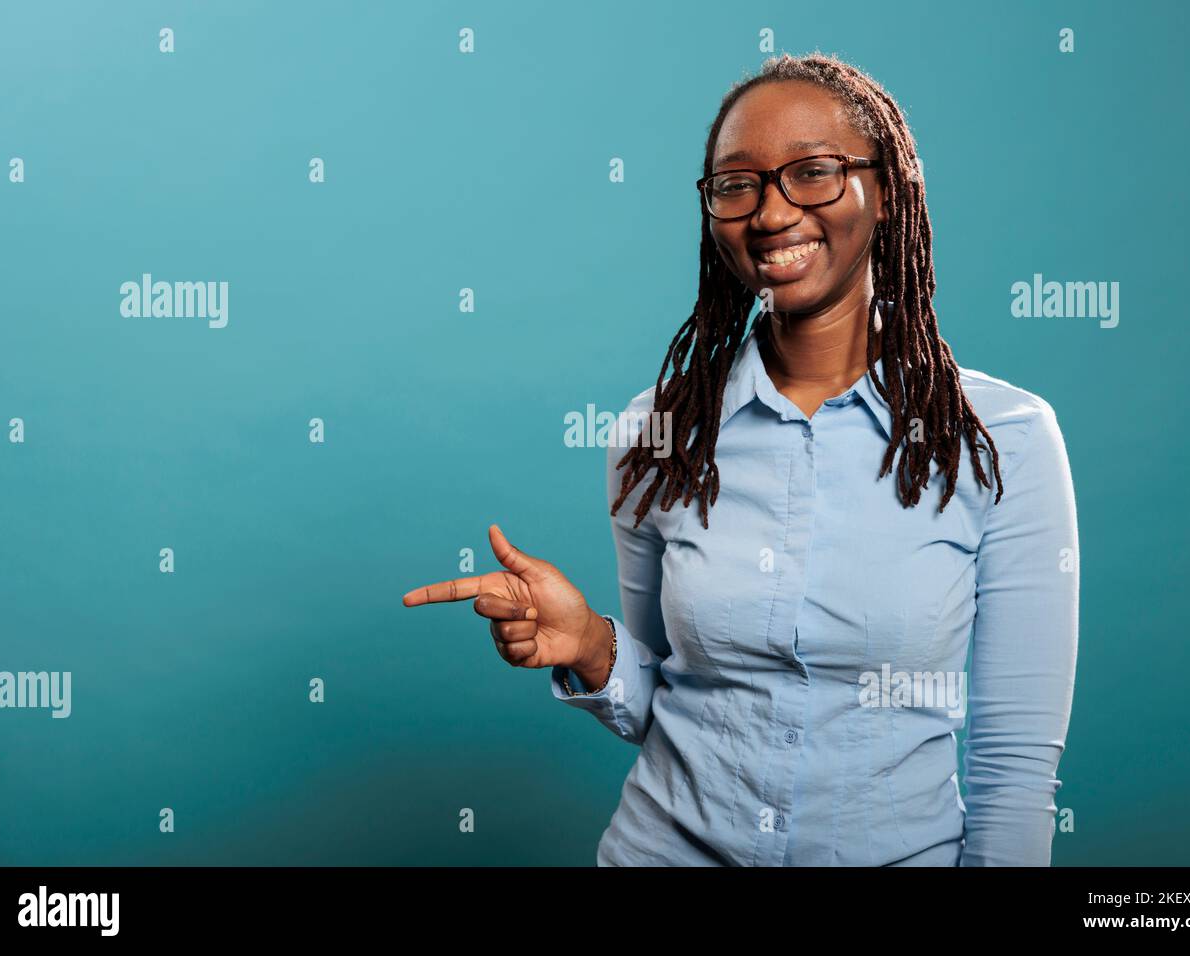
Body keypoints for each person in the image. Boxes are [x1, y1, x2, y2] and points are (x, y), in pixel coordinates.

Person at [403, 51, 1079, 866]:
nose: (771, 211)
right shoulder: (657, 436)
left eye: (814, 172)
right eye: (738, 184)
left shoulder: (1002, 441)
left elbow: (1014, 768)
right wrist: (590, 646)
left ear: (889, 192)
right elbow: (669, 703)